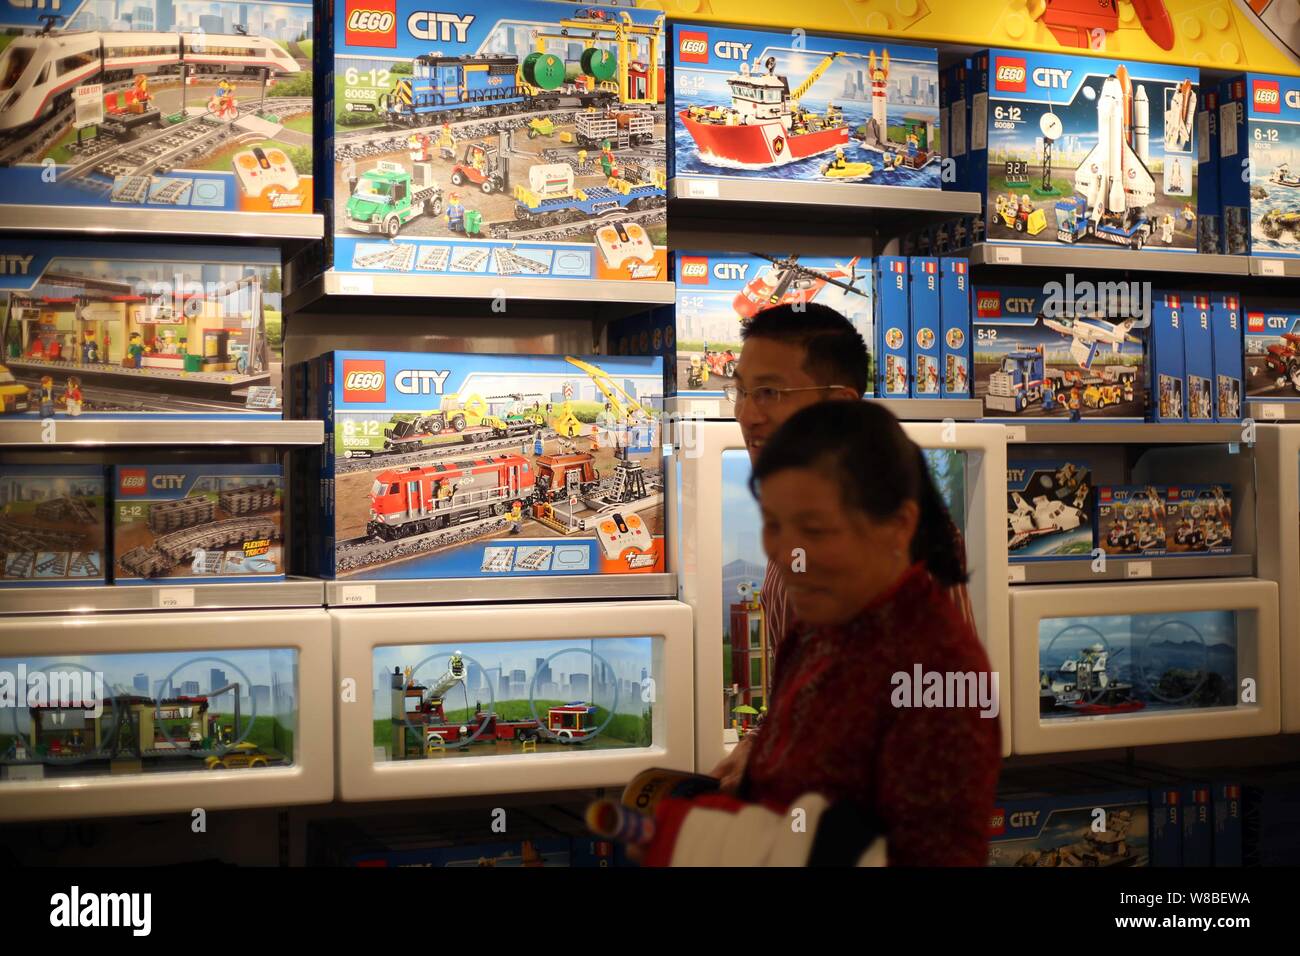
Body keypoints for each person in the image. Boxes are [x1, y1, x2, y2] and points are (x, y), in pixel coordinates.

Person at [711, 303, 976, 789]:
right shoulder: (798, 526)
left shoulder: (896, 538)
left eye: (769, 392)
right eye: (741, 391)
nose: (747, 415)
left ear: (841, 403)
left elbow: (943, 731)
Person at [738, 400, 1000, 865]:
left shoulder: (935, 670)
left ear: (898, 526)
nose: (785, 554)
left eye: (814, 530)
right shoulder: (818, 629)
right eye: (772, 525)